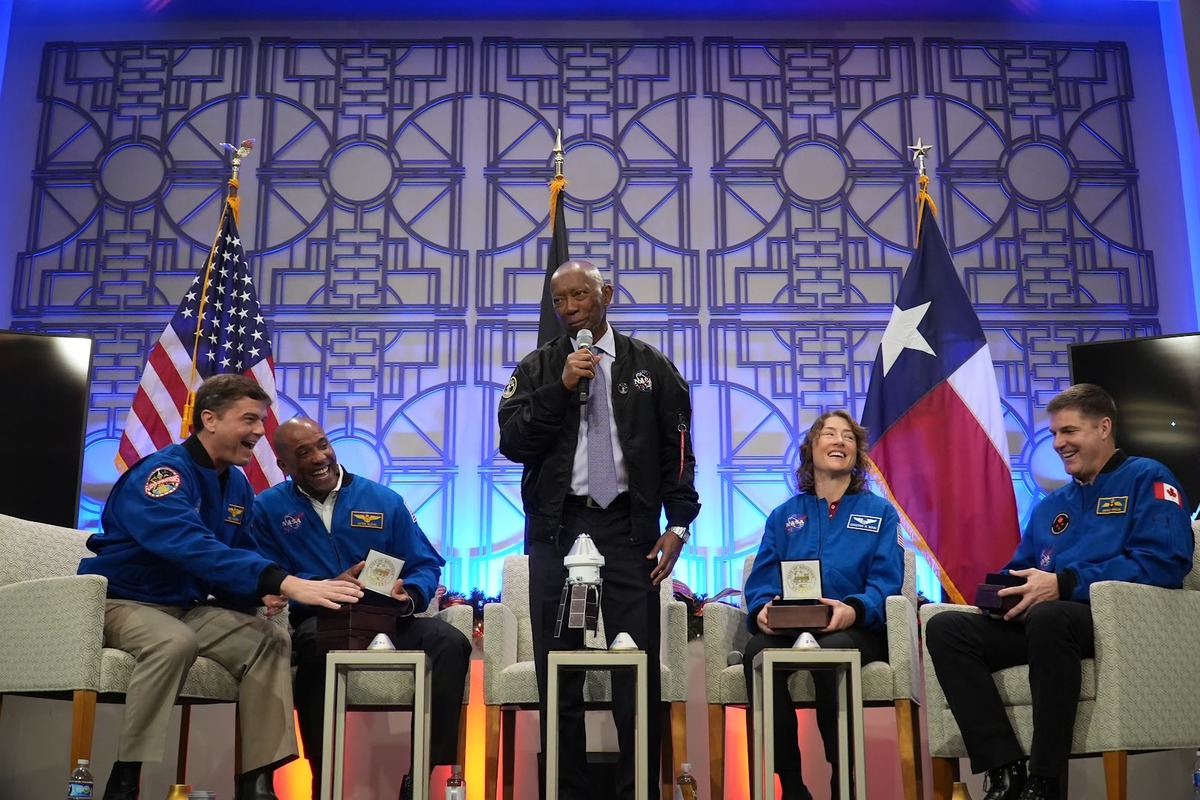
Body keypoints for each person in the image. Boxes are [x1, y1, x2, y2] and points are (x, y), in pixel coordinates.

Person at [79, 374, 364, 800]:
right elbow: (191, 545)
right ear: (210, 419)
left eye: (261, 420)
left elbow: (241, 555)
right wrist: (281, 580)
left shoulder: (238, 484)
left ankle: (258, 783)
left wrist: (262, 591)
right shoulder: (163, 474)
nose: (259, 431)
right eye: (249, 419)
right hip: (124, 602)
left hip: (186, 606)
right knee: (174, 642)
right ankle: (125, 779)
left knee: (269, 639)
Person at [924, 383, 1194, 800]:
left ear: (1103, 427)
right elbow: (1021, 568)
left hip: (1114, 625)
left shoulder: (1148, 477)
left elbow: (1165, 562)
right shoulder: (1052, 506)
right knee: (946, 629)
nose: (1058, 443)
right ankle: (1005, 771)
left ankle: (1046, 780)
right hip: (1046, 626)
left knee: (1050, 616)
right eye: (1053, 434)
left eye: (1069, 431)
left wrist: (1066, 583)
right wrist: (1002, 595)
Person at [497, 259, 701, 800]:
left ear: (605, 294)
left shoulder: (651, 366)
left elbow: (678, 453)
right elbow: (512, 441)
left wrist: (679, 523)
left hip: (629, 530)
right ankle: (565, 791)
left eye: (579, 296)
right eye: (559, 300)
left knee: (635, 669)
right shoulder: (539, 367)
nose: (569, 309)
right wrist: (561, 387)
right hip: (557, 529)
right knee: (558, 669)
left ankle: (639, 791)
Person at [250, 417, 472, 800]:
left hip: (388, 619)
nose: (319, 457)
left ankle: (420, 775)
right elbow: (265, 571)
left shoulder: (383, 500)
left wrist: (409, 595)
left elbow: (424, 563)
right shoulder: (267, 508)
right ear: (283, 465)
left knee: (451, 643)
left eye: (322, 444)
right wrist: (325, 585)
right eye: (303, 452)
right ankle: (323, 780)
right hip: (321, 620)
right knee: (315, 648)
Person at [742, 410, 904, 800]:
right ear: (810, 449)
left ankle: (841, 781)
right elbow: (762, 579)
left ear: (856, 453)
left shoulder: (880, 512)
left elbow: (887, 580)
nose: (839, 441)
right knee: (756, 654)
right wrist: (762, 610)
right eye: (829, 434)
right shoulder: (783, 516)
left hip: (855, 628)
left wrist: (854, 609)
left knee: (832, 652)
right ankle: (791, 785)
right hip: (792, 626)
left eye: (848, 437)